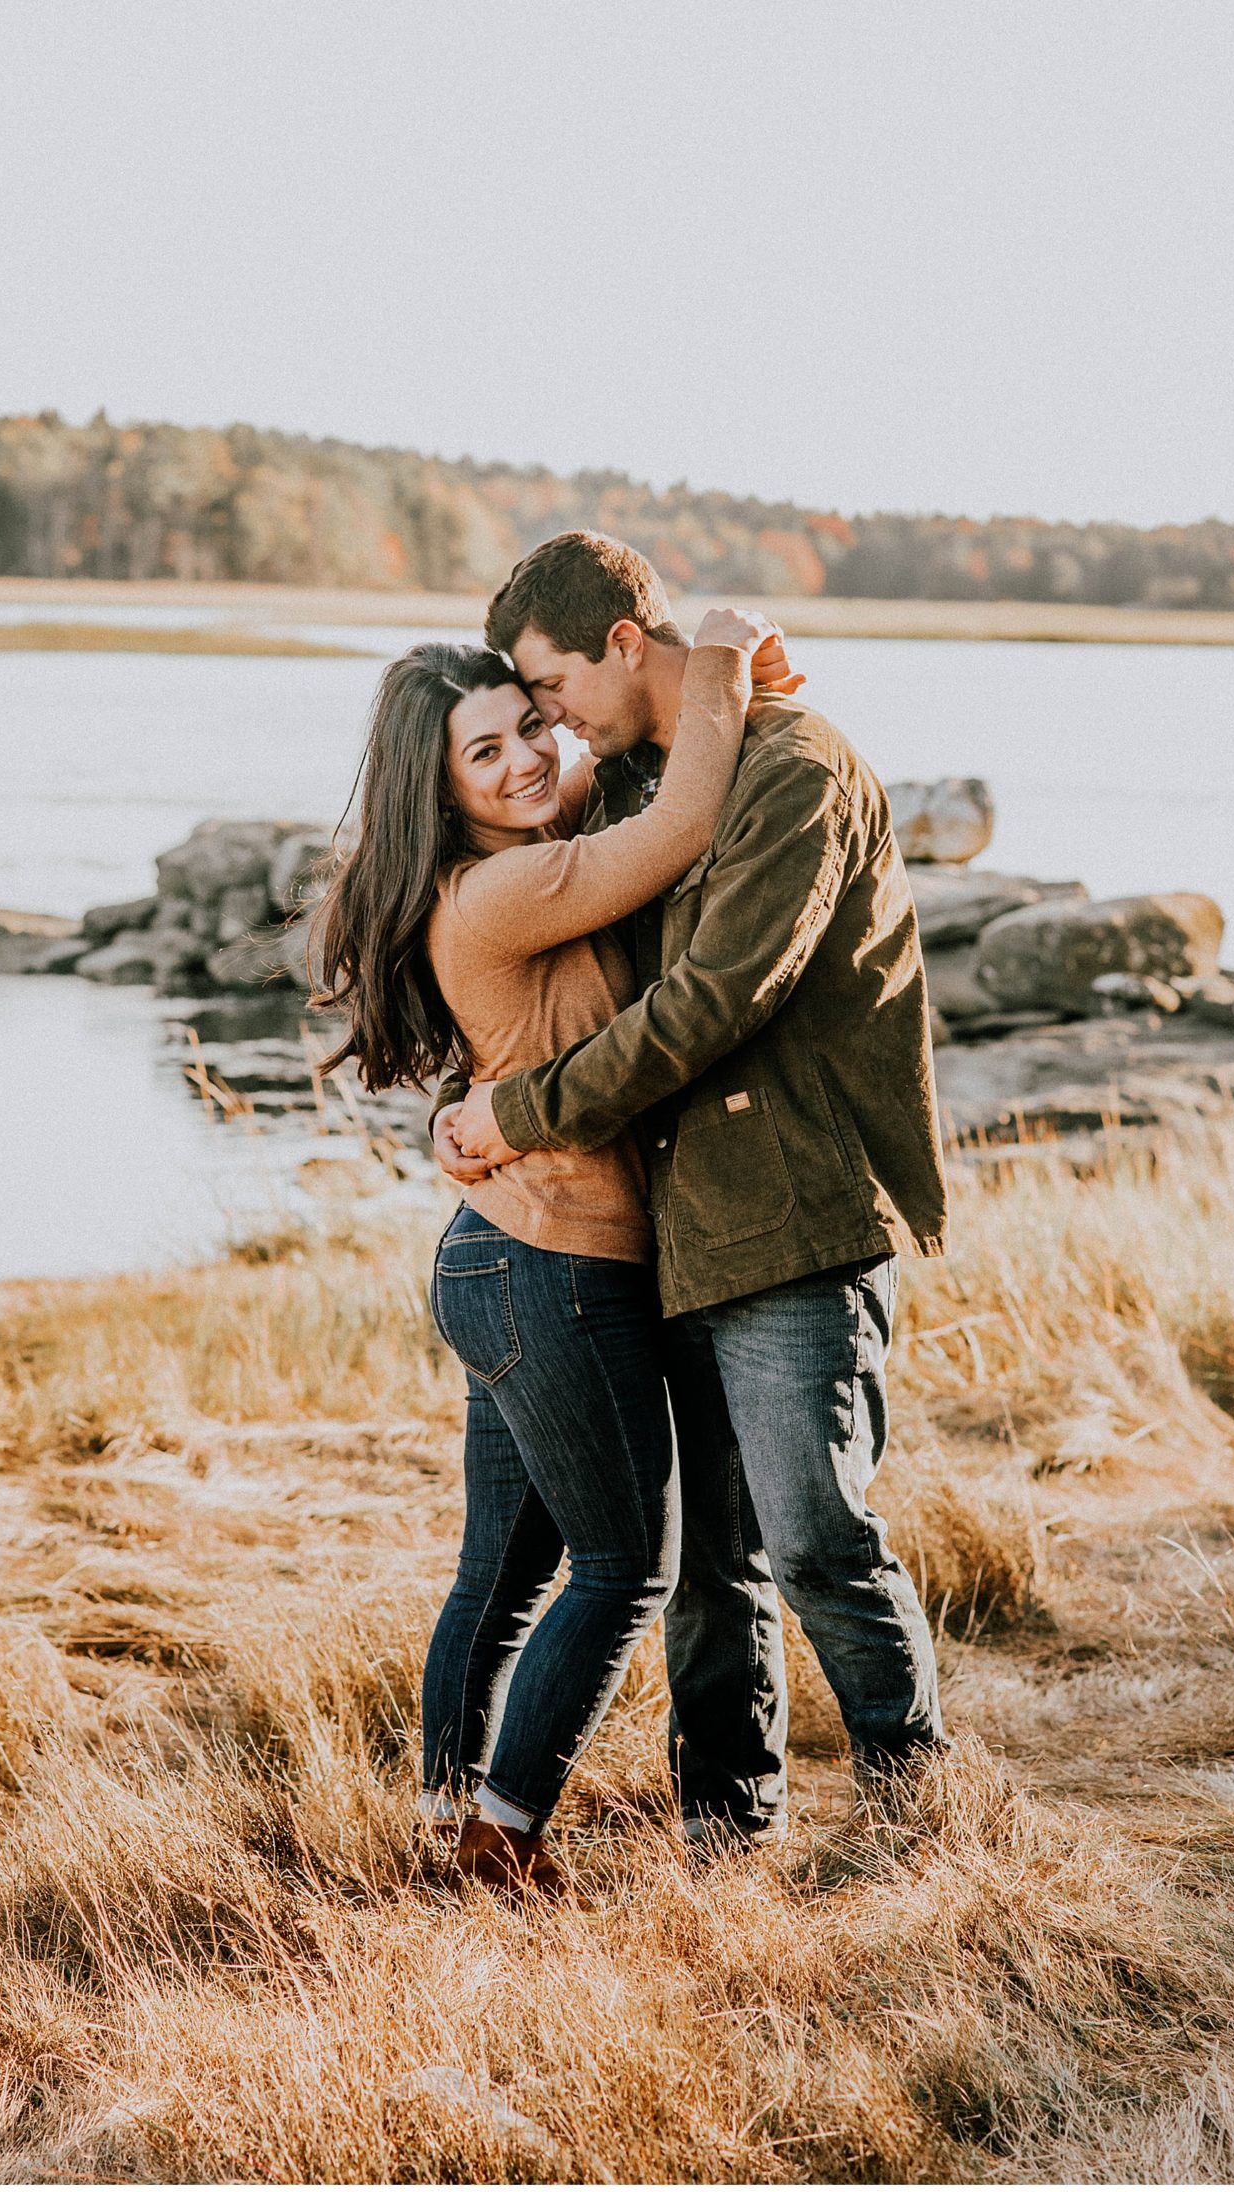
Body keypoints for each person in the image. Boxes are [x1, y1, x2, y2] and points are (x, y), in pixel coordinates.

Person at [436, 531, 951, 1850]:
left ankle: (915, 1822)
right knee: (709, 1568)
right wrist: (473, 1087)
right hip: (673, 1234)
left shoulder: (794, 769)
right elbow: (553, 943)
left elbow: (715, 1000)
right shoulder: (652, 779)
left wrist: (517, 1113)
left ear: (623, 642)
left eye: (555, 689)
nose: (552, 723)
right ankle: (727, 1826)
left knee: (818, 1540)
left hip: (791, 1220)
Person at [310, 603, 789, 1897]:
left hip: (498, 1256)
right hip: (552, 1269)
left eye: (531, 725)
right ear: (439, 789)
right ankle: (501, 1844)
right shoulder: (510, 887)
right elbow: (681, 825)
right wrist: (723, 661)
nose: (526, 758)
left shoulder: (511, 860)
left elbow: (608, 783)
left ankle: (442, 1818)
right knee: (627, 1569)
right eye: (486, 753)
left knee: (505, 1573)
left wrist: (634, 710)